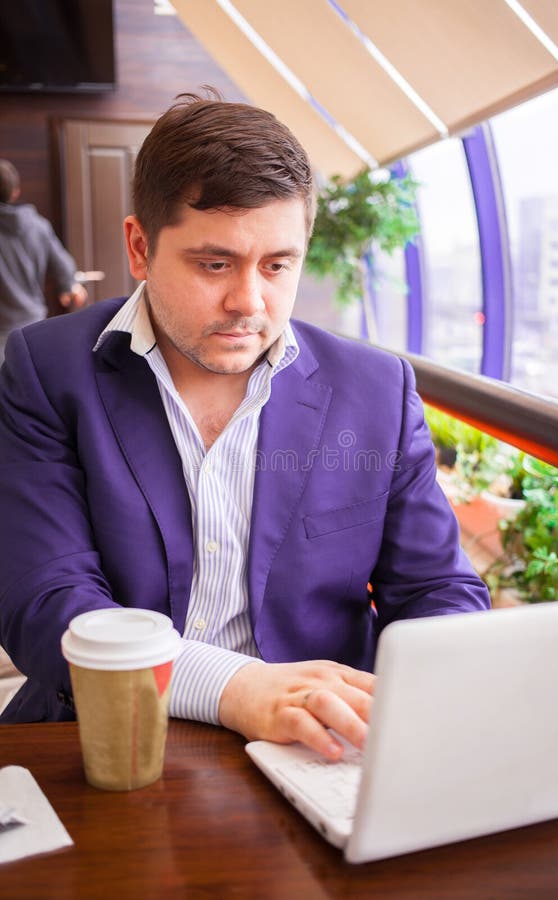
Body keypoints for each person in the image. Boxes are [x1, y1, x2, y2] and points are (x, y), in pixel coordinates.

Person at [0, 93, 489, 757]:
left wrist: (418, 703)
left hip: (311, 750)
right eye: (215, 264)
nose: (249, 302)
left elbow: (437, 589)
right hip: (103, 737)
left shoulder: (375, 389)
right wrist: (235, 688)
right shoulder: (46, 369)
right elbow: (45, 600)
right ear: (140, 248)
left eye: (277, 265)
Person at [0, 159, 87, 364]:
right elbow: (64, 266)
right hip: (32, 332)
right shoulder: (38, 226)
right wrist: (69, 286)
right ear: (15, 192)